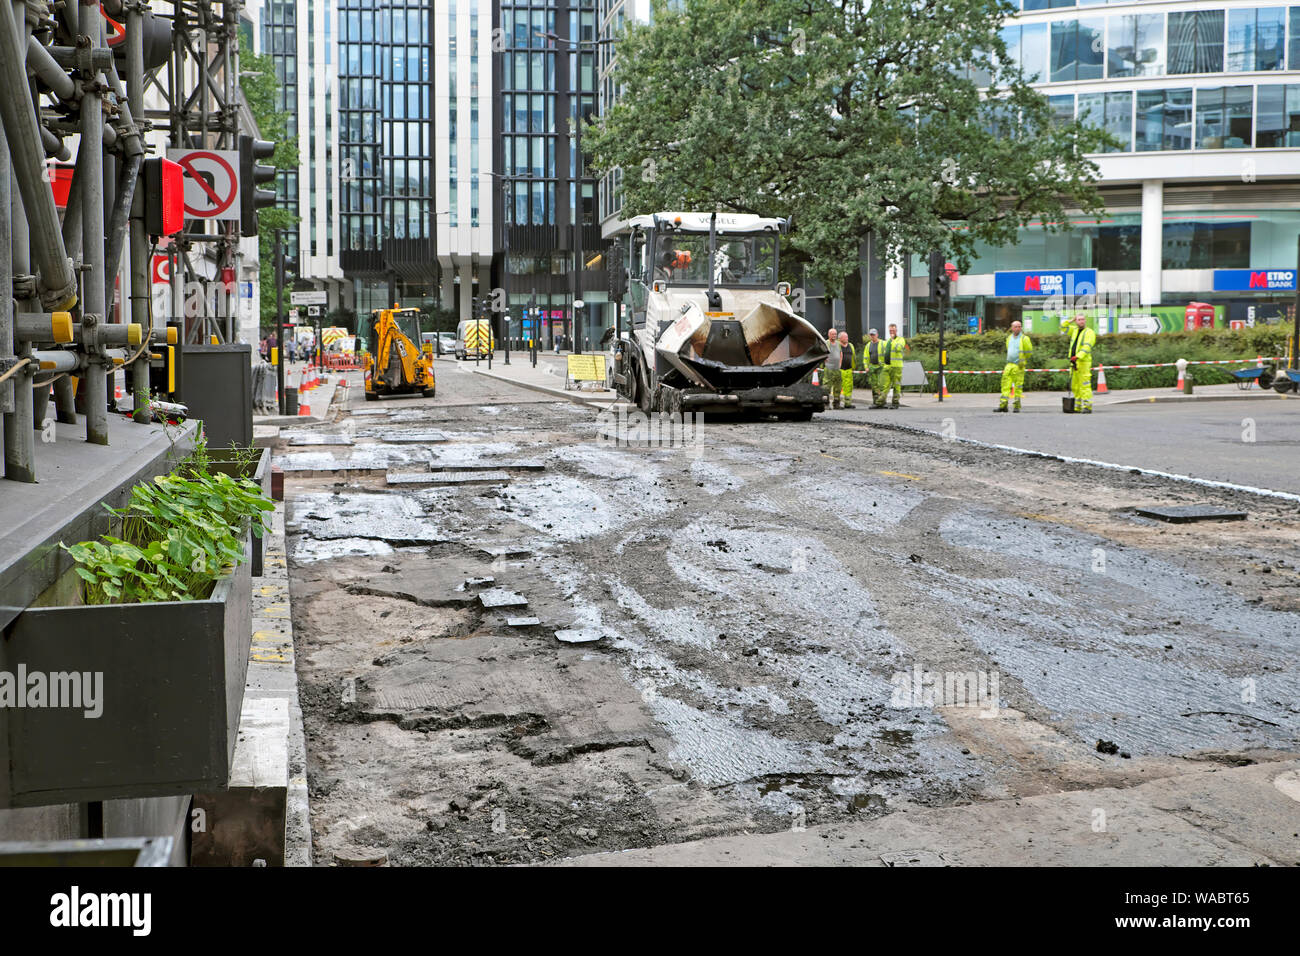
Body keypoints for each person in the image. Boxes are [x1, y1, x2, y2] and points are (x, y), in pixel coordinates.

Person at [996, 320, 1032, 413]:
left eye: (1019, 326)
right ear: (1012, 328)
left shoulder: (1024, 338)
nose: (1018, 328)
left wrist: (1022, 360)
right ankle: (1003, 405)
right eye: (1016, 326)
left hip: (1018, 365)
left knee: (1018, 387)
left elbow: (1028, 352)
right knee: (1005, 385)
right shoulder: (1009, 338)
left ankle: (1016, 406)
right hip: (1009, 364)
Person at [1067, 313, 1097, 414]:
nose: (1081, 321)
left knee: (1084, 384)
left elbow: (1087, 347)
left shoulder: (1089, 332)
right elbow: (1062, 327)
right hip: (1074, 362)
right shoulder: (1074, 330)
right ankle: (1078, 406)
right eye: (1079, 320)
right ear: (1076, 321)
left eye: (1083, 319)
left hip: (1083, 362)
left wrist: (1078, 356)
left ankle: (1087, 406)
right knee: (1075, 385)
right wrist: (1070, 320)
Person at [881, 323, 909, 408]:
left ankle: (895, 402)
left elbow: (898, 349)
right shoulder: (888, 341)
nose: (891, 332)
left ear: (896, 330)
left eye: (893, 330)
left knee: (896, 385)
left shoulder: (900, 339)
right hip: (887, 366)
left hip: (896, 366)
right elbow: (885, 353)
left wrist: (893, 340)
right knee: (885, 385)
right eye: (890, 330)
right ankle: (881, 402)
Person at [864, 329, 887, 408]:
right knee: (874, 385)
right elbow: (865, 358)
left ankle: (882, 402)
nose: (872, 336)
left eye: (873, 335)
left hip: (881, 367)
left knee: (881, 385)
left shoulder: (883, 343)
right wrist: (866, 367)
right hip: (872, 368)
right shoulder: (868, 345)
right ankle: (875, 402)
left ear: (877, 335)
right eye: (871, 335)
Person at [822, 326, 843, 409]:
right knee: (827, 386)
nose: (834, 335)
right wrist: (825, 360)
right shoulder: (826, 343)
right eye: (832, 334)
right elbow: (822, 353)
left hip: (837, 368)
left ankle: (836, 403)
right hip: (829, 368)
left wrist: (840, 363)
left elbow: (841, 353)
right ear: (829, 335)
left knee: (838, 386)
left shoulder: (838, 343)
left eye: (835, 334)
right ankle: (826, 403)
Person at [838, 331, 857, 409]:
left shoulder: (851, 345)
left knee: (849, 387)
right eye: (845, 337)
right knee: (838, 387)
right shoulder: (837, 346)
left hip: (849, 370)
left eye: (847, 336)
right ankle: (837, 403)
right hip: (840, 370)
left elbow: (854, 357)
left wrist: (854, 367)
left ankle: (848, 403)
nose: (847, 338)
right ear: (840, 338)